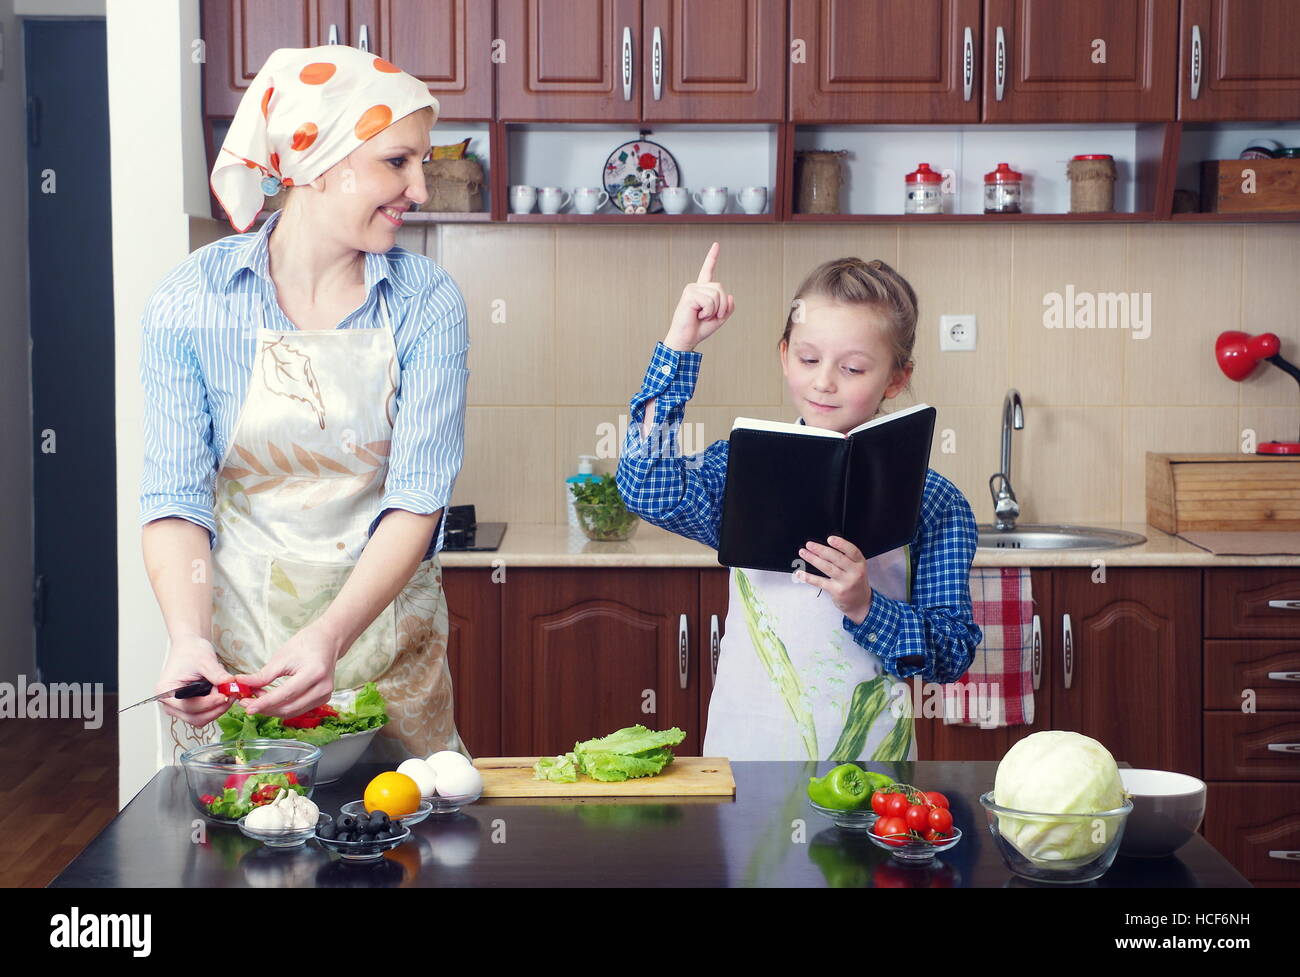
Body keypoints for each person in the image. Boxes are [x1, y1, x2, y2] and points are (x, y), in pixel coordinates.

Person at [139, 45, 469, 767]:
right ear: (320, 161)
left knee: (411, 854)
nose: (421, 187)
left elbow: (417, 499)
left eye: (424, 161)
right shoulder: (190, 300)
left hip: (388, 661)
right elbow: (174, 498)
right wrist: (189, 640)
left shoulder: (427, 302)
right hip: (243, 679)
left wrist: (330, 636)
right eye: (397, 161)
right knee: (242, 859)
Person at [616, 243, 983, 761]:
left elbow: (950, 653)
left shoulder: (935, 502)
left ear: (896, 379)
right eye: (809, 359)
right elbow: (645, 488)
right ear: (785, 354)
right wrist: (680, 346)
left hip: (873, 774)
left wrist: (866, 606)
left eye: (854, 368)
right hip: (746, 758)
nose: (824, 382)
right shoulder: (743, 468)